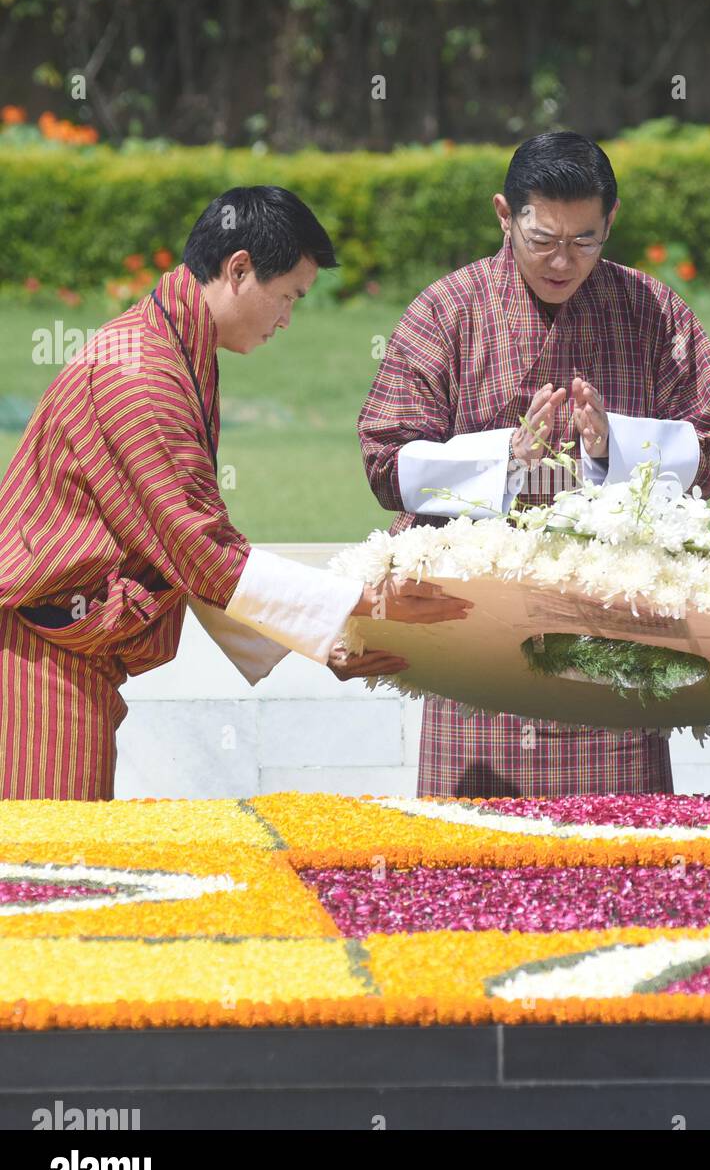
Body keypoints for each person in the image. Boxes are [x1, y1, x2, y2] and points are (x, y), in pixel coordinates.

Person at [0, 186, 470, 800]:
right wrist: (360, 603)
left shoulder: (171, 346)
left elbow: (181, 548)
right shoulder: (140, 374)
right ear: (239, 269)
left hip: (65, 654)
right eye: (288, 297)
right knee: (49, 872)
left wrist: (328, 636)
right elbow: (201, 551)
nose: (287, 319)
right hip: (35, 661)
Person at [358, 131, 710, 798]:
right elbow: (385, 463)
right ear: (504, 216)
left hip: (613, 634)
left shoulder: (650, 311)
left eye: (584, 240)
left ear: (610, 221)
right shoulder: (445, 312)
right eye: (542, 240)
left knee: (616, 859)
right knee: (471, 864)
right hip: (477, 634)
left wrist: (612, 447)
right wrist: (501, 458)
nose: (563, 261)